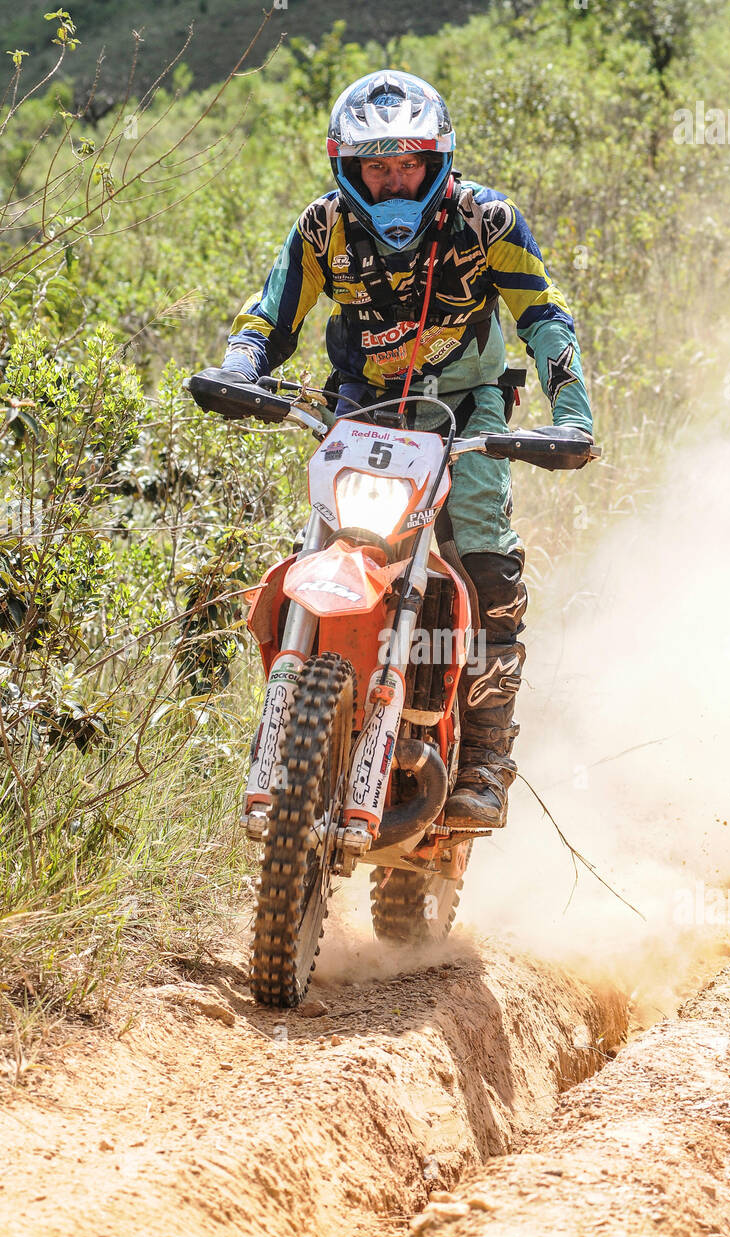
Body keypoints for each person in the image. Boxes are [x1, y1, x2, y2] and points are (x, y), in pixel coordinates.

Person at [208, 70, 593, 828]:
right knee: (320, 541)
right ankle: (301, 722)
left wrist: (572, 412)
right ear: (348, 168)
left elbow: (542, 317)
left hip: (466, 410)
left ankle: (485, 758)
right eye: (376, 168)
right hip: (362, 407)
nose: (391, 183)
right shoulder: (323, 227)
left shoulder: (487, 221)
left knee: (485, 555)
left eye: (407, 165)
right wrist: (237, 370)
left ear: (435, 161)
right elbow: (271, 317)